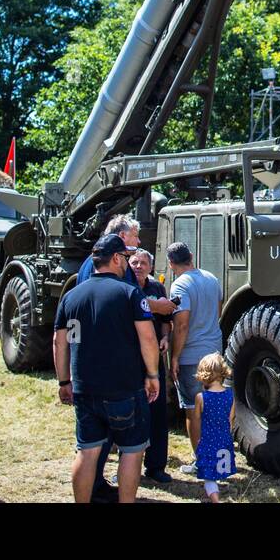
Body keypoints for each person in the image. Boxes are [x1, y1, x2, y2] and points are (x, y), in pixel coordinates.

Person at [53, 234, 162, 503]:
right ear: (115, 258)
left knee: (87, 451)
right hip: (124, 388)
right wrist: (152, 374)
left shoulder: (71, 296)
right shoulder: (130, 293)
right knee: (131, 451)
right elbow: (148, 338)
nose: (127, 262)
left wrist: (64, 381)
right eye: (125, 257)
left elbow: (59, 342)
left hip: (84, 388)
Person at [78, 214, 176, 500]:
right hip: (117, 363)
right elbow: (136, 307)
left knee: (94, 437)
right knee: (121, 436)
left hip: (94, 363)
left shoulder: (91, 266)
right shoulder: (110, 270)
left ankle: (95, 486)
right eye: (135, 236)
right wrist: (160, 307)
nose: (138, 241)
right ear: (121, 239)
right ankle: (99, 487)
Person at [167, 241, 223, 475]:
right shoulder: (212, 278)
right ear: (191, 256)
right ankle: (220, 458)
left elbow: (181, 326)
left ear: (171, 264)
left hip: (192, 356)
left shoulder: (180, 285)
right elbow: (218, 311)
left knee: (193, 410)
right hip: (214, 352)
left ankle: (202, 461)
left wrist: (175, 357)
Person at [131, 247, 173, 483]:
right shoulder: (125, 285)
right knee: (134, 414)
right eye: (134, 262)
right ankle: (128, 468)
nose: (138, 266)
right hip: (131, 359)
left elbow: (166, 319)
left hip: (155, 359)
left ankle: (156, 466)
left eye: (142, 263)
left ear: (150, 267)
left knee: (157, 413)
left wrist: (166, 337)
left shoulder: (157, 287)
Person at [191, 352, 236, 503]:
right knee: (220, 469)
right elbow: (230, 420)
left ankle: (215, 499)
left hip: (208, 441)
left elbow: (196, 421)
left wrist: (198, 441)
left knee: (208, 476)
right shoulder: (230, 395)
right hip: (224, 440)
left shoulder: (201, 398)